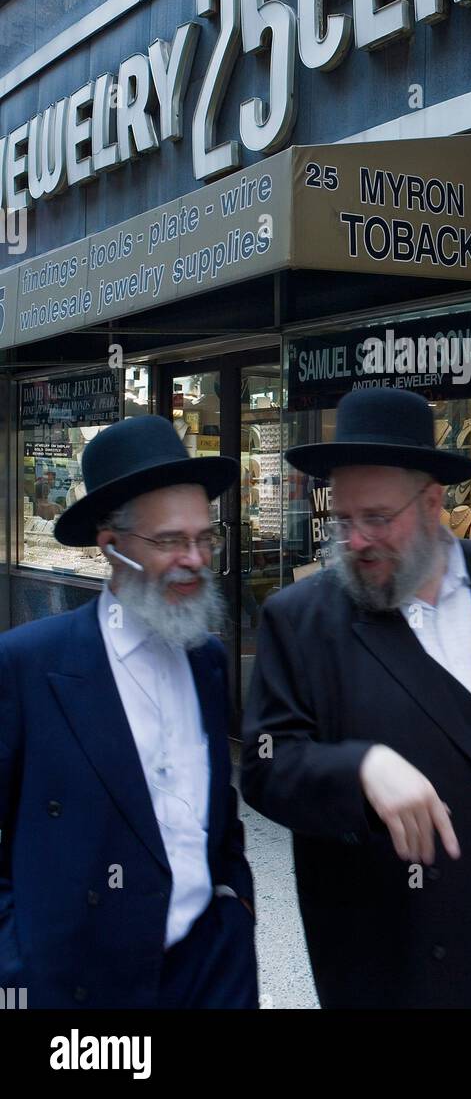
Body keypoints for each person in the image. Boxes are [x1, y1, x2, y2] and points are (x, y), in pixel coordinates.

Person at [241, 387, 471, 1010]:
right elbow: (267, 768)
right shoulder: (299, 620)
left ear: (432, 502)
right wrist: (357, 768)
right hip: (400, 966)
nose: (355, 540)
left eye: (377, 518)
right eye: (343, 520)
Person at [0, 415, 258, 1009]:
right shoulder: (30, 667)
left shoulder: (208, 661)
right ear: (112, 545)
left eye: (205, 538)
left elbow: (220, 822)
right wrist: (18, 974)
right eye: (170, 541)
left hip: (208, 976)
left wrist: (235, 909)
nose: (195, 559)